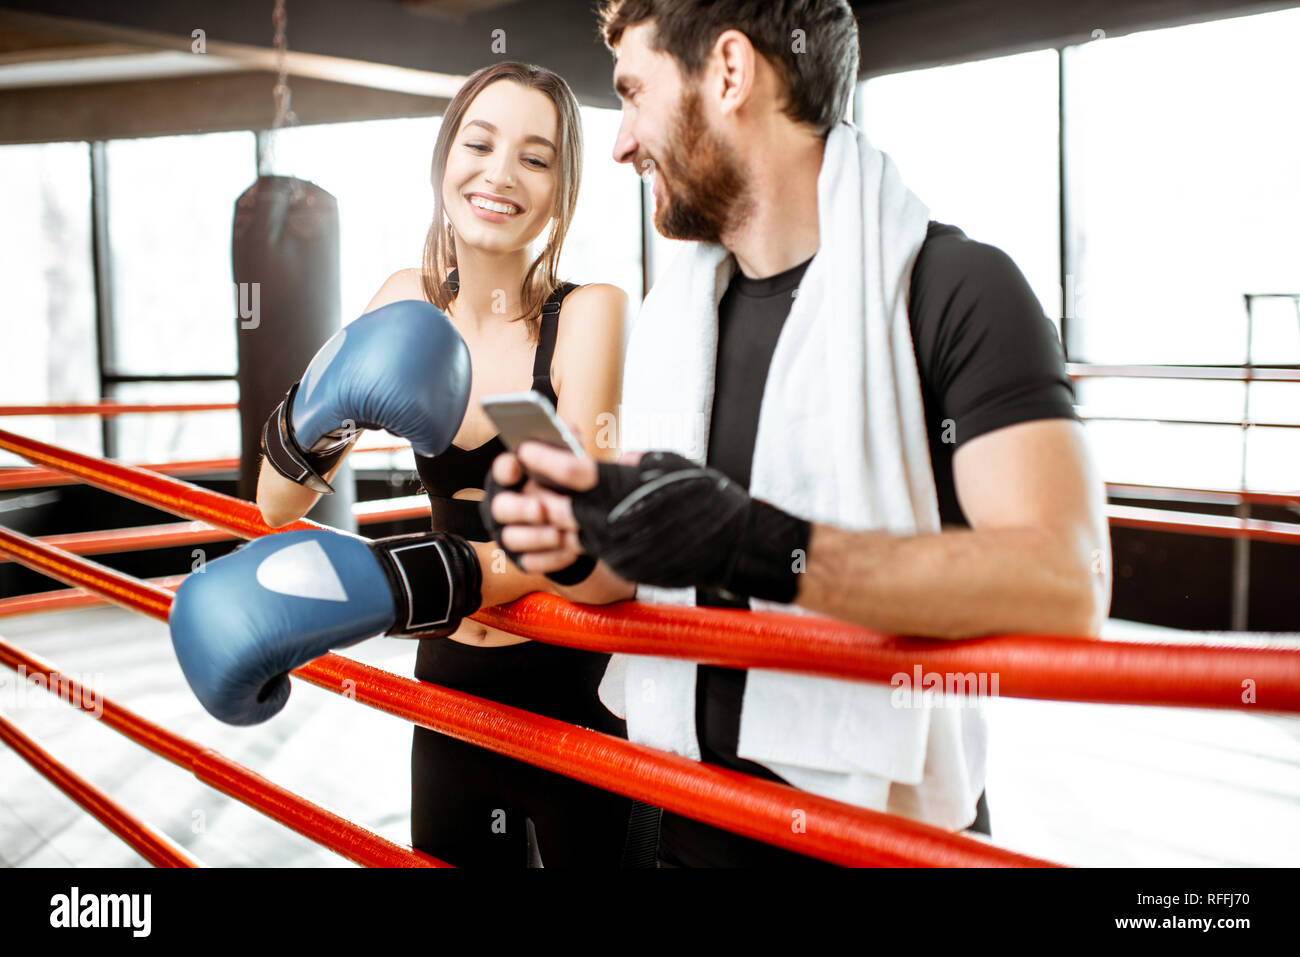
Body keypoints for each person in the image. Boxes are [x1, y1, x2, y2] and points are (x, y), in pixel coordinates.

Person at [480, 0, 1113, 867]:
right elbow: (647, 573)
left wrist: (752, 541)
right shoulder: (676, 318)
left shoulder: (957, 290)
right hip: (685, 817)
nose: (622, 141)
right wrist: (572, 536)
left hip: (881, 839)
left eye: (634, 93)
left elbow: (1067, 580)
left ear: (729, 73)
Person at [254, 61, 636, 867]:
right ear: (443, 161)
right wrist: (321, 411)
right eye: (479, 143)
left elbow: (576, 544)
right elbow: (277, 503)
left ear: (562, 188)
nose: (500, 174)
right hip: (451, 681)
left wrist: (389, 586)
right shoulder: (404, 299)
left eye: (535, 158)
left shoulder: (591, 314)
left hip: (575, 684)